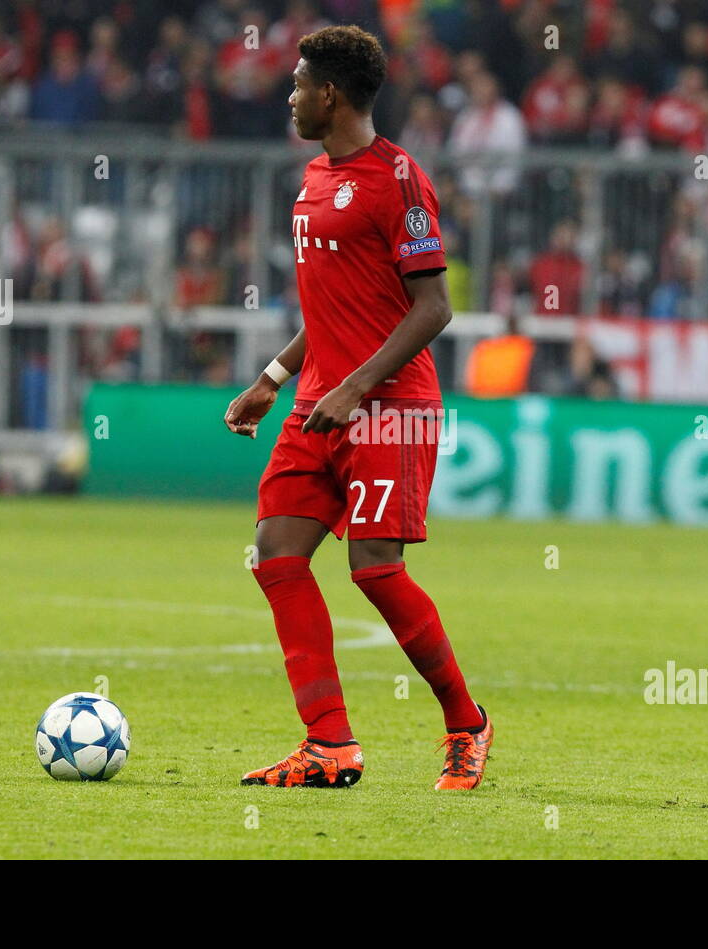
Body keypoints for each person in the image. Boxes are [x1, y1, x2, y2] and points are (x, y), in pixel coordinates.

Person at [223, 25, 491, 791]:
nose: (291, 95)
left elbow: (433, 306)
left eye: (301, 83)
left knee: (374, 570)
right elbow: (336, 307)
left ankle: (466, 723)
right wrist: (274, 375)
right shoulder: (311, 179)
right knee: (276, 554)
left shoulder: (400, 178)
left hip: (390, 407)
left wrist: (358, 387)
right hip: (317, 403)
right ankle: (329, 744)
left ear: (331, 94)